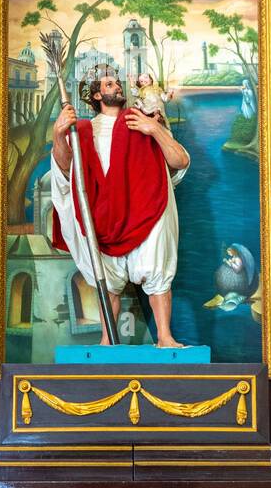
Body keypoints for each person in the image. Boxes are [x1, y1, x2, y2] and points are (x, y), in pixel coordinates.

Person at [51, 71, 190, 348]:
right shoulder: (83, 130)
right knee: (107, 281)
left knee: (157, 271)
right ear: (97, 95)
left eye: (116, 81)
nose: (117, 85)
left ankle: (164, 337)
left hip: (146, 207)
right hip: (101, 216)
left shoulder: (144, 121)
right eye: (109, 83)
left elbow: (180, 160)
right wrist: (59, 134)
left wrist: (155, 130)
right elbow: (66, 170)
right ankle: (107, 341)